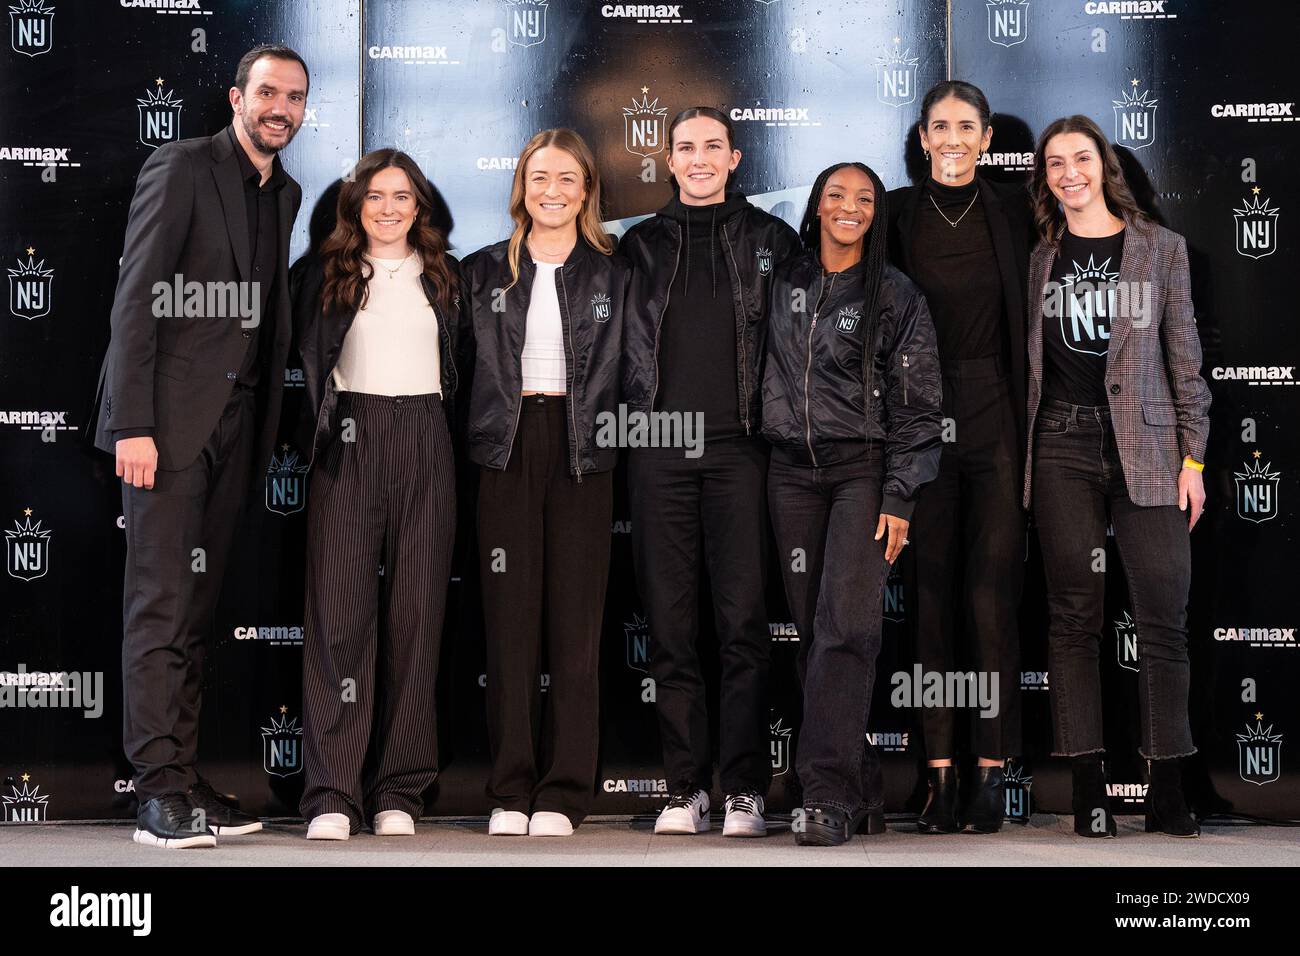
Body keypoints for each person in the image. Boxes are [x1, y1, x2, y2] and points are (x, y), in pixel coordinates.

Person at [89, 44, 307, 849]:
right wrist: (133, 425)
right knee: (159, 607)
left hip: (236, 430)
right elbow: (136, 299)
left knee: (196, 612)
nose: (280, 107)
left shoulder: (283, 193)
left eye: (294, 97)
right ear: (237, 96)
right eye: (268, 93)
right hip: (167, 428)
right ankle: (155, 795)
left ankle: (179, 777)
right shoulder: (181, 166)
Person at [1026, 115, 1211, 837]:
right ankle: (1088, 788)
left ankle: (1168, 785)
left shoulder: (1161, 251)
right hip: (1061, 446)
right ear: (1045, 178)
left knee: (1163, 618)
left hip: (1152, 449)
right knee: (1074, 618)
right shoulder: (1041, 256)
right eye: (1054, 163)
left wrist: (1193, 459)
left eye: (1080, 158)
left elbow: (1186, 360)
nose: (1068, 172)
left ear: (1104, 165)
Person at [619, 107, 800, 837]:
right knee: (670, 626)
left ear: (734, 158)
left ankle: (746, 791)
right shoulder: (637, 246)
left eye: (712, 148)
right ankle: (684, 787)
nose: (698, 159)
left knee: (742, 627)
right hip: (657, 450)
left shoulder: (771, 241)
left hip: (742, 452)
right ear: (667, 160)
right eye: (685, 148)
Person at [764, 162, 942, 845]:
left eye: (865, 198)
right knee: (815, 632)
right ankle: (863, 780)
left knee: (846, 628)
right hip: (789, 473)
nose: (850, 206)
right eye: (836, 194)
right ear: (815, 207)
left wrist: (900, 493)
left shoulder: (896, 296)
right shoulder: (784, 280)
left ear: (877, 214)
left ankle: (828, 796)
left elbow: (921, 407)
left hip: (862, 474)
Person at [290, 149, 462, 841]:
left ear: (420, 206)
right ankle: (332, 791)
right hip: (349, 440)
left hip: (427, 437)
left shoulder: (448, 278)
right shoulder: (322, 276)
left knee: (417, 622)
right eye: (375, 197)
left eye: (402, 197)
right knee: (339, 622)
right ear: (354, 205)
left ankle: (401, 790)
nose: (388, 209)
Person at [462, 129, 628, 837]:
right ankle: (509, 789)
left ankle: (563, 791)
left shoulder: (617, 273)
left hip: (585, 451)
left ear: (587, 190)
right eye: (539, 178)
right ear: (520, 188)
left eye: (566, 179)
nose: (552, 191)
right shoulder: (479, 273)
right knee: (508, 628)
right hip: (505, 449)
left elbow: (641, 372)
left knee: (576, 629)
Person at [887, 81, 1033, 833]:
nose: (951, 137)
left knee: (990, 603)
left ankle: (989, 775)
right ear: (922, 137)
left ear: (984, 140)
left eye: (965, 126)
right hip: (919, 423)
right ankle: (937, 775)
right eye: (939, 125)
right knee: (932, 602)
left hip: (997, 418)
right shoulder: (897, 215)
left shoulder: (1012, 214)